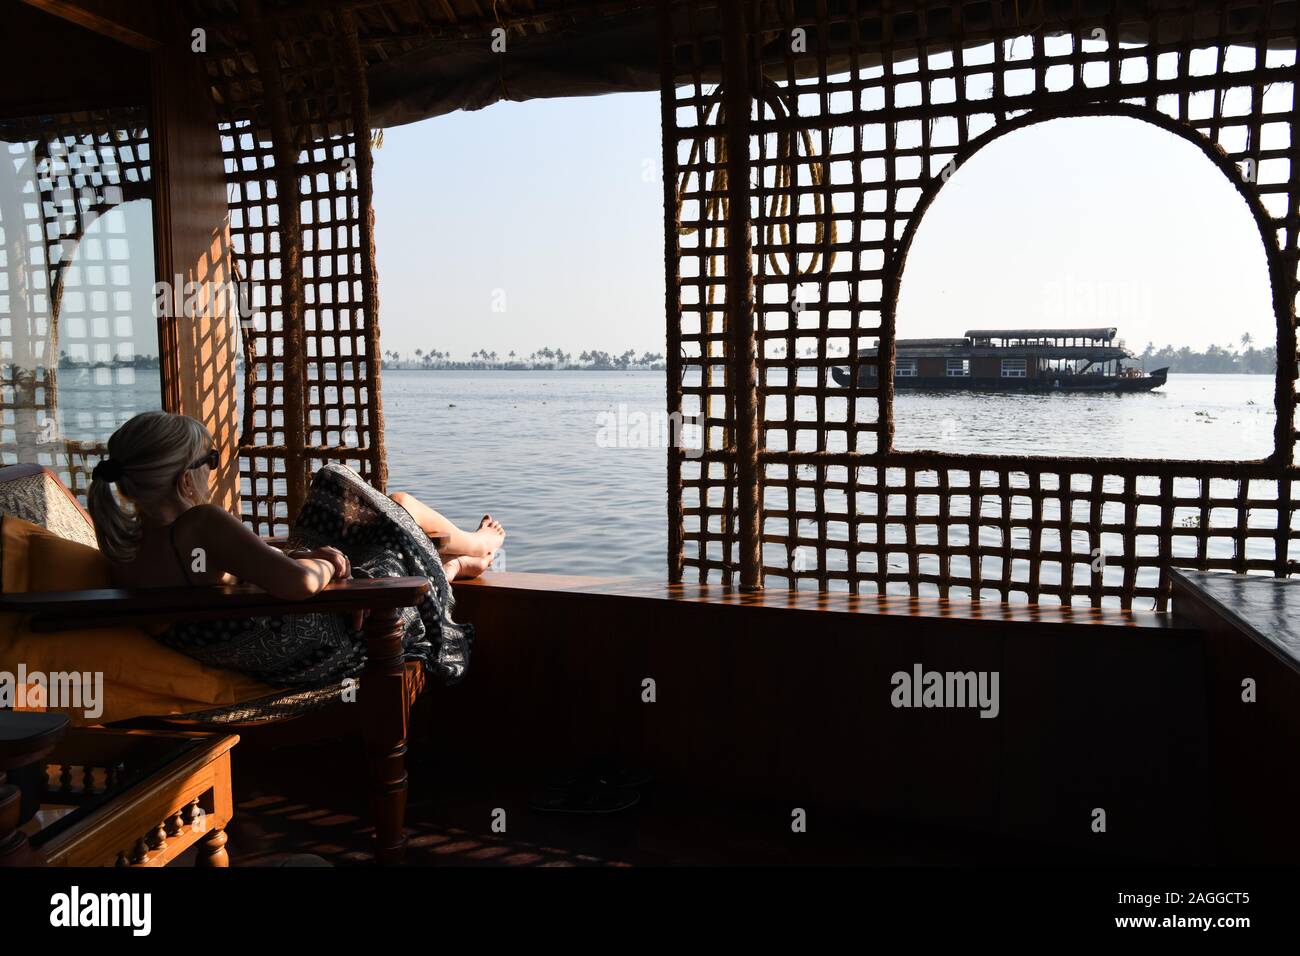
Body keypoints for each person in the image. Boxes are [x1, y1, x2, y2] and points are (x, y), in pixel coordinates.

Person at [86, 410, 501, 695]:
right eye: (210, 461)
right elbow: (300, 582)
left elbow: (237, 581)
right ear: (184, 481)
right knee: (389, 502)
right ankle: (467, 554)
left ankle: (459, 557)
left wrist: (308, 558)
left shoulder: (124, 550)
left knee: (375, 512)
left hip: (268, 644)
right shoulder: (199, 525)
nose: (213, 470)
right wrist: (326, 561)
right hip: (323, 642)